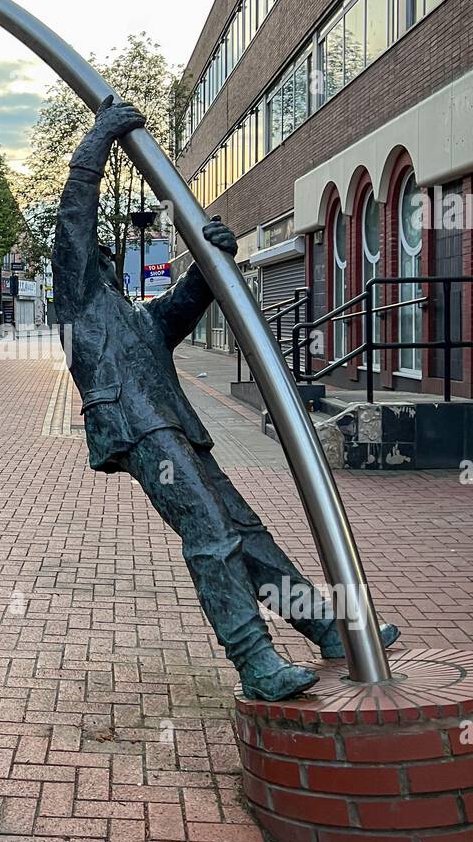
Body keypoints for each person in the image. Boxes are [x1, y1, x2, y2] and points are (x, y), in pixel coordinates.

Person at [53, 96, 398, 701]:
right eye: (96, 258)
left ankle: (325, 628)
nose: (100, 261)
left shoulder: (136, 322)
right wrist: (99, 141)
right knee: (211, 533)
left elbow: (184, 303)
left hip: (175, 429)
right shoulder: (80, 306)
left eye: (103, 259)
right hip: (139, 433)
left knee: (246, 530)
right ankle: (255, 661)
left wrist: (214, 257)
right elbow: (73, 219)